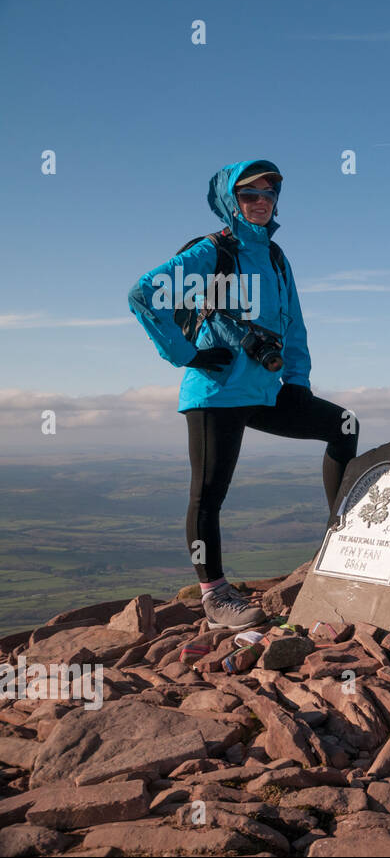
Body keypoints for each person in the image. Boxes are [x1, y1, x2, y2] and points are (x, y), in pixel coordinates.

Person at [128, 159, 360, 629]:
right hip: (215, 391)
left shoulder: (275, 257)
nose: (260, 202)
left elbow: (293, 324)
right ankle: (215, 597)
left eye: (268, 193)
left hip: (265, 390)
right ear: (229, 201)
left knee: (343, 426)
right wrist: (185, 355)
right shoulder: (214, 252)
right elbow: (143, 293)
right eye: (248, 194)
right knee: (208, 495)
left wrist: (297, 383)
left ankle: (343, 538)